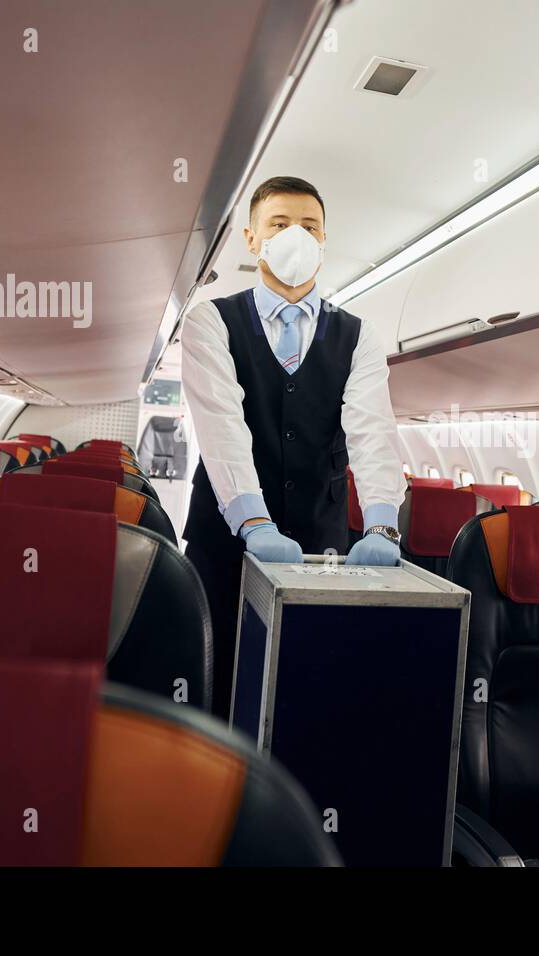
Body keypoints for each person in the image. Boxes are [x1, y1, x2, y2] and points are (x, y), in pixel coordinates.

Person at [180, 176, 404, 718]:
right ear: (251, 239)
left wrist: (382, 523)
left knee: (305, 695)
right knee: (215, 688)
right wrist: (252, 522)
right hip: (223, 543)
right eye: (279, 225)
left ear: (325, 242)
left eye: (310, 227)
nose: (296, 237)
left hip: (320, 548)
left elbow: (372, 429)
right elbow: (222, 426)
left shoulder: (358, 335)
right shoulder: (211, 320)